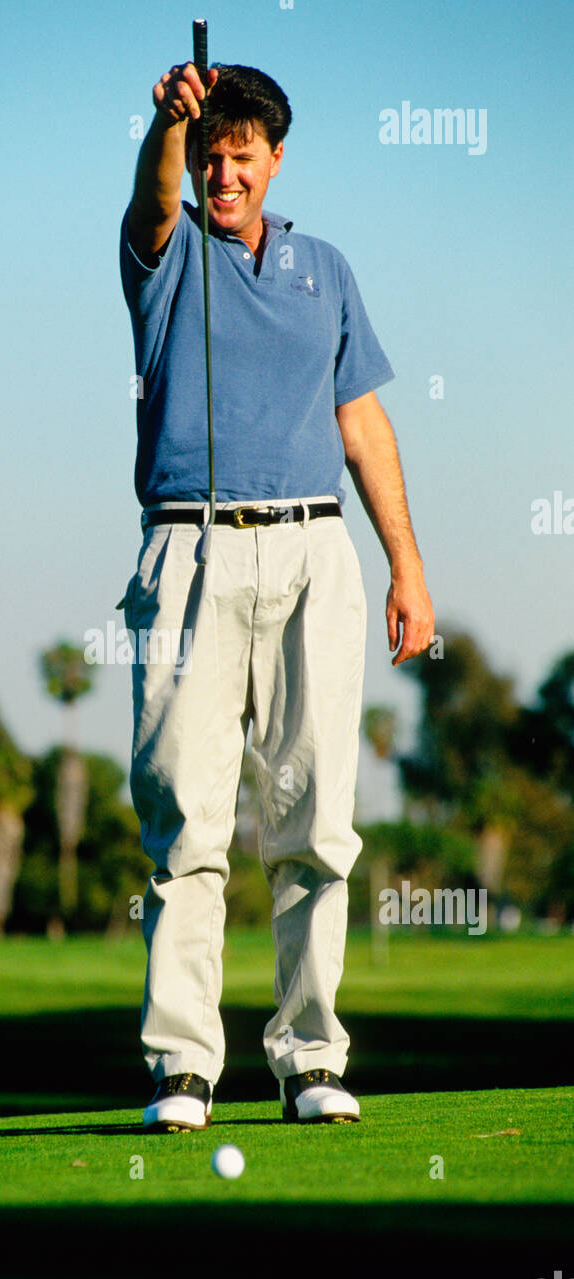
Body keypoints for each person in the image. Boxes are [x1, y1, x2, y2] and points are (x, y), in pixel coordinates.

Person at [117, 59, 435, 1130]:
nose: (220, 175)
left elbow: (360, 423)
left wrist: (408, 564)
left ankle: (310, 1057)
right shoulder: (164, 258)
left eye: (237, 157)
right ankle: (183, 1068)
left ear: (273, 159)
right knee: (188, 824)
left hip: (313, 554)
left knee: (312, 822)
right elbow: (151, 201)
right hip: (189, 553)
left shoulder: (325, 268)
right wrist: (167, 124)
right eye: (208, 157)